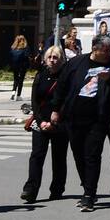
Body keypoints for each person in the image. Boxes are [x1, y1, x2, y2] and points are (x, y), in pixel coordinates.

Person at [51, 35, 110, 212]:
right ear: (94, 48)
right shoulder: (76, 63)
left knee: (92, 155)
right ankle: (87, 186)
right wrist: (56, 110)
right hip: (74, 116)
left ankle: (89, 196)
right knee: (78, 154)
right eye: (104, 50)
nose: (108, 54)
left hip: (98, 118)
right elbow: (62, 86)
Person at [22, 45, 71, 203]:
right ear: (45, 59)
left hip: (60, 122)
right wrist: (41, 120)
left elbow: (68, 101)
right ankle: (31, 190)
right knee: (36, 155)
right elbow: (35, 101)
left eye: (55, 57)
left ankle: (57, 189)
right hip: (40, 122)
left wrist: (55, 121)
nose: (52, 60)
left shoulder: (66, 76)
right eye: (49, 57)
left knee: (59, 157)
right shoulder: (40, 75)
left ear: (62, 60)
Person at [8, 35, 31, 101]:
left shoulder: (13, 48)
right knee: (21, 81)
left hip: (15, 66)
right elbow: (28, 57)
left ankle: (13, 92)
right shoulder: (25, 48)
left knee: (15, 79)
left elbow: (10, 57)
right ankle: (18, 96)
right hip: (23, 66)